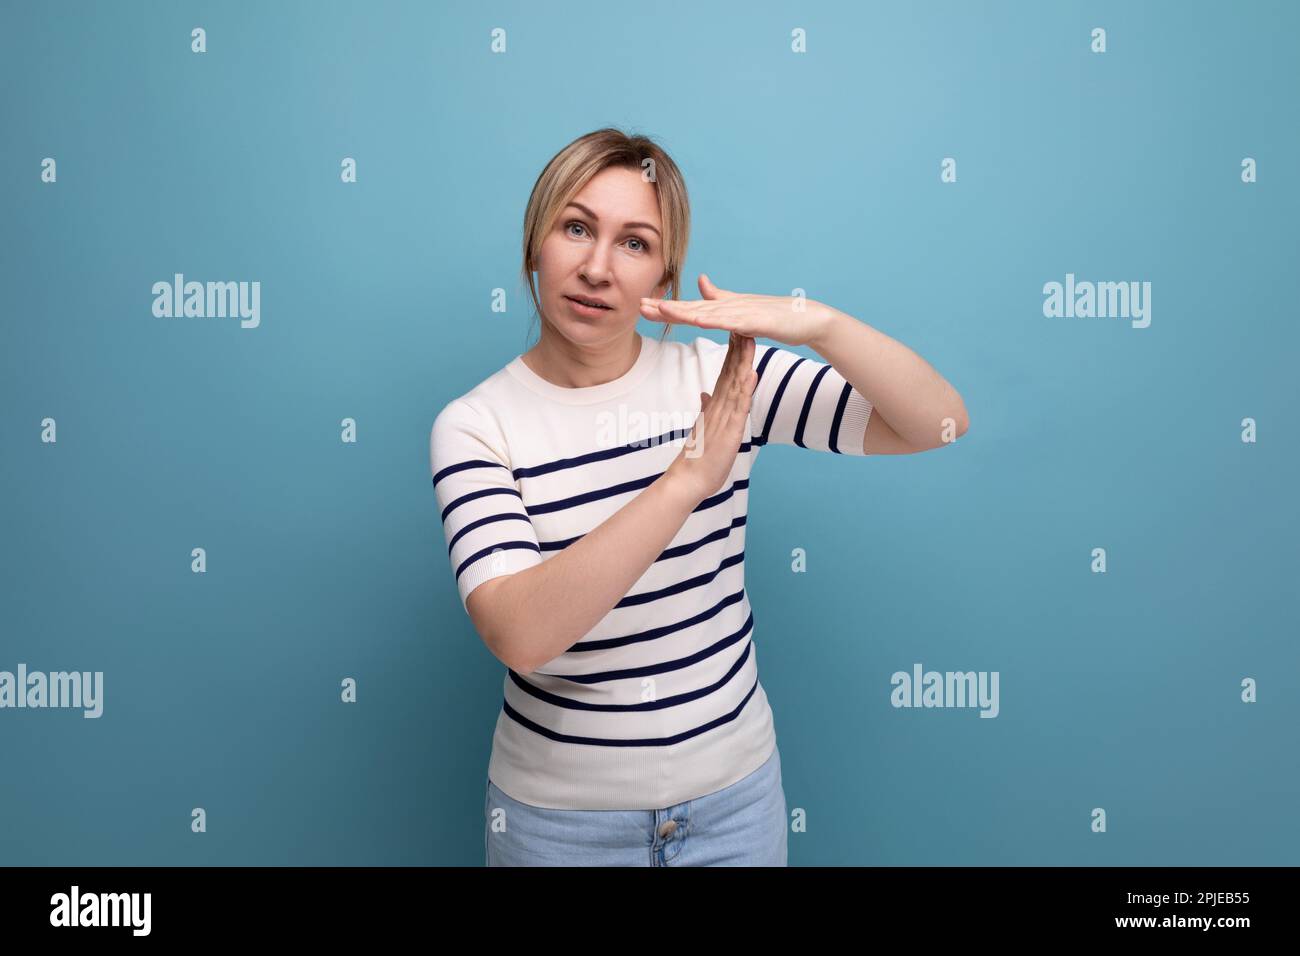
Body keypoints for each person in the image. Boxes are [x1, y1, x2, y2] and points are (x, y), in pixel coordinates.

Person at [429, 128, 969, 866]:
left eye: (634, 242)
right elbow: (522, 635)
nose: (596, 267)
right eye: (576, 227)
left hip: (735, 811)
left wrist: (816, 323)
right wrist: (687, 478)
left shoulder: (719, 380)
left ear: (665, 271)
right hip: (560, 831)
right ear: (535, 241)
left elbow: (938, 422)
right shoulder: (475, 425)